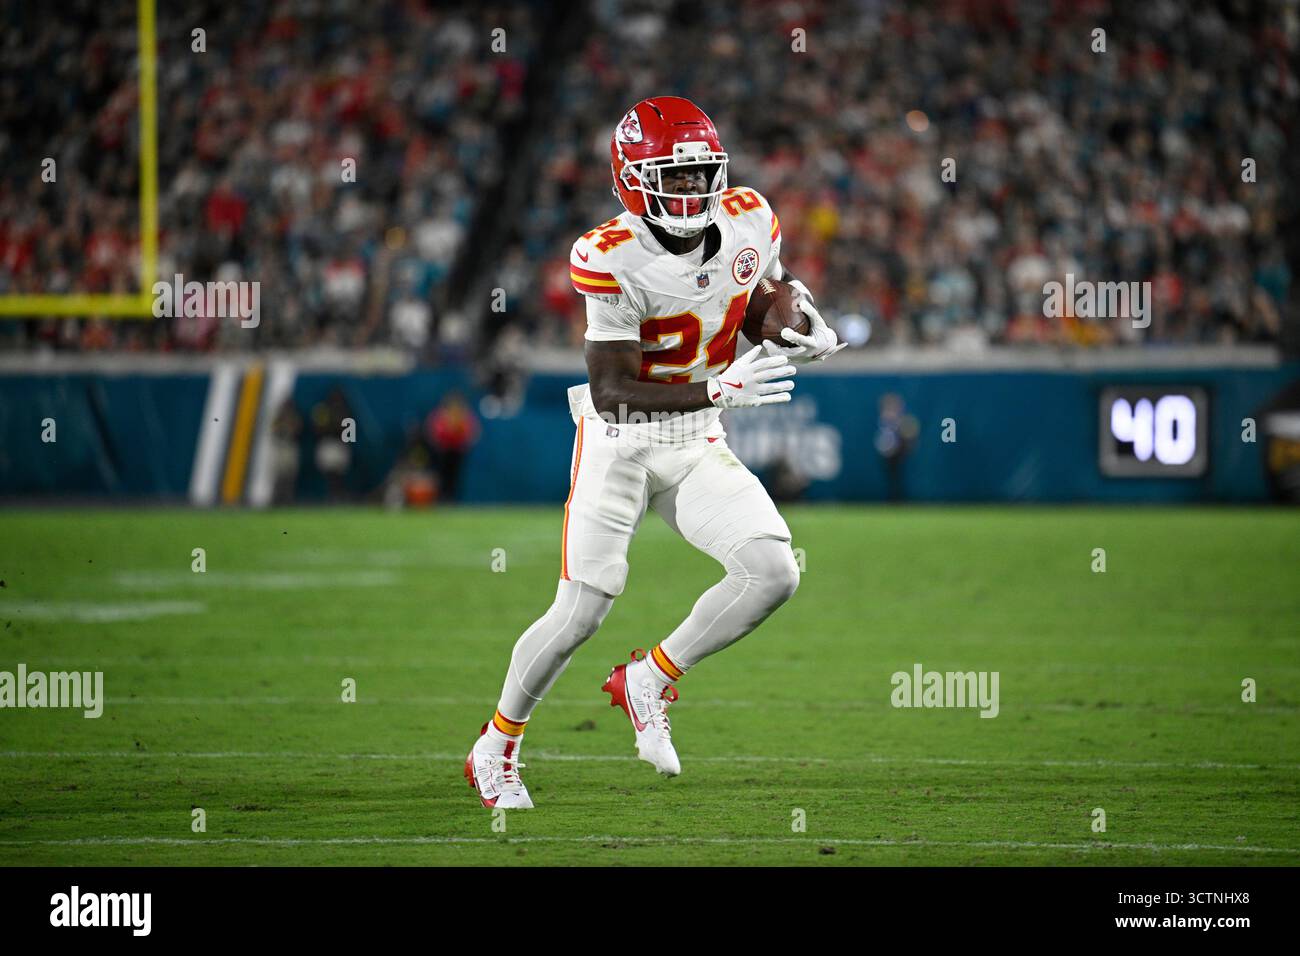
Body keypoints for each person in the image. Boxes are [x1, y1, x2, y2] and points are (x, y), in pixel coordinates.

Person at [464, 97, 844, 807]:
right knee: (582, 611)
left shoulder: (749, 216)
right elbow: (612, 392)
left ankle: (650, 677)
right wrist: (719, 390)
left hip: (695, 440)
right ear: (632, 179)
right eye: (677, 177)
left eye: (703, 175)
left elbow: (759, 294)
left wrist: (801, 322)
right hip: (622, 442)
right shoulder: (608, 255)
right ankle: (496, 745)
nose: (694, 192)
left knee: (772, 571)